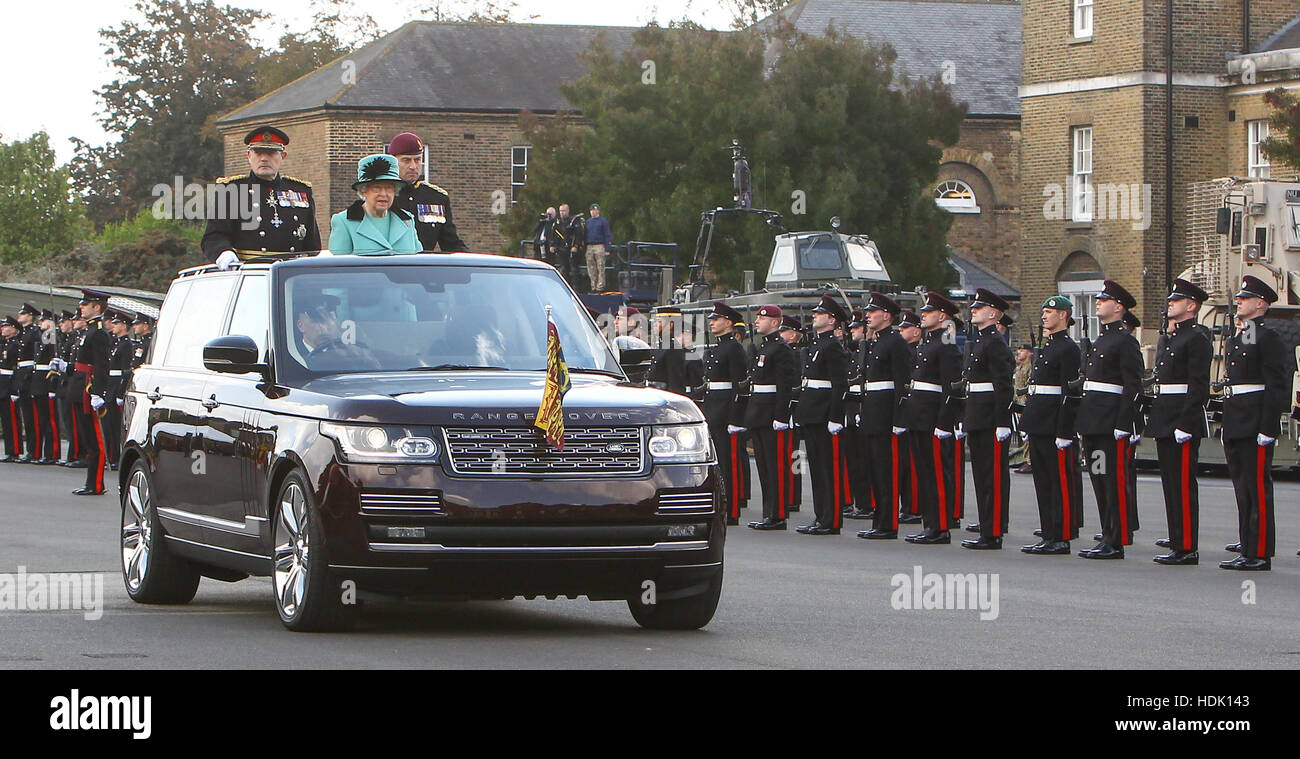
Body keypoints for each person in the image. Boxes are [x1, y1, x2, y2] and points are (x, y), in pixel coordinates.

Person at [1219, 275, 1289, 571]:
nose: (1238, 302)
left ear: (1260, 304)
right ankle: (1248, 546)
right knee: (1243, 488)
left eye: (1245, 299)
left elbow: (1276, 385)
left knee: (1257, 488)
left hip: (1254, 422)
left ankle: (1259, 553)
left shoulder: (1267, 336)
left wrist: (1267, 428)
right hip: (1237, 418)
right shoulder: (1241, 336)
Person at [1144, 278, 1212, 566]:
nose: (1170, 303)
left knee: (1183, 485)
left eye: (1176, 300)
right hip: (1165, 416)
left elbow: (1198, 386)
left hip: (1181, 420)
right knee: (1170, 483)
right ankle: (1177, 537)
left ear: (1191, 306)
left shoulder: (1196, 338)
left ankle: (1187, 547)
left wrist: (1186, 423)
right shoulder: (1173, 337)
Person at [1075, 279, 1143, 560]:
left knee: (1112, 481)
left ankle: (1115, 539)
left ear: (1118, 307)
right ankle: (1107, 532)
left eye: (1104, 300)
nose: (1098, 303)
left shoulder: (1125, 341)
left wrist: (1124, 424)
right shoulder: (1102, 338)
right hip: (1094, 420)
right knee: (1099, 479)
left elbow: (1133, 386)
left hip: (1109, 423)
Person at [204, 125, 320, 269]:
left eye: (271, 153)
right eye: (258, 153)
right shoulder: (232, 190)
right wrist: (224, 252)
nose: (264, 159)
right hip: (249, 272)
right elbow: (214, 236)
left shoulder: (300, 191)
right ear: (249, 156)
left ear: (283, 156)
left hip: (292, 273)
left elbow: (312, 245)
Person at [1019, 297, 1082, 554]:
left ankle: (1061, 535)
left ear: (1064, 315)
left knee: (1058, 482)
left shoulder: (1068, 348)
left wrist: (1064, 430)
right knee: (1043, 481)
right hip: (1039, 421)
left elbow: (1070, 393)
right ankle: (1048, 532)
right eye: (1043, 311)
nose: (1044, 316)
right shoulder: (1047, 346)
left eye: (1049, 312)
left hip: (1054, 424)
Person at [901, 292, 963, 544]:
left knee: (937, 473)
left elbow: (951, 387)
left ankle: (940, 526)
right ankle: (931, 523)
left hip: (933, 418)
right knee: (925, 472)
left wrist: (944, 422)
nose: (923, 315)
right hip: (919, 415)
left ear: (942, 316)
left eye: (928, 312)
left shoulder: (946, 344)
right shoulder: (929, 342)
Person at [959, 288, 1015, 550]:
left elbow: (1003, 385)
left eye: (979, 308)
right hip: (978, 414)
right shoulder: (981, 340)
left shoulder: (994, 343)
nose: (973, 310)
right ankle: (986, 525)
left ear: (993, 313)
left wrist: (1003, 422)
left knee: (991, 476)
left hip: (991, 417)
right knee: (981, 475)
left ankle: (992, 532)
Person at [855, 292, 913, 541]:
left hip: (887, 415)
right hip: (872, 412)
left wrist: (899, 419)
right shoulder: (875, 342)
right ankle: (879, 519)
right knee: (875, 470)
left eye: (872, 312)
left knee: (886, 471)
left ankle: (888, 523)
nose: (867, 315)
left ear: (886, 316)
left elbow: (902, 384)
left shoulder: (896, 342)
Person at [795, 296, 850, 536]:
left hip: (824, 415)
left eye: (820, 314)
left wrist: (835, 418)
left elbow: (840, 385)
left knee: (827, 470)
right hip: (812, 413)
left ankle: (831, 519)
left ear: (831, 320)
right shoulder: (818, 344)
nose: (814, 316)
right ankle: (821, 516)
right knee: (816, 470)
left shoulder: (832, 347)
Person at [745, 305, 800, 530]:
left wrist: (781, 415)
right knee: (764, 467)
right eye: (757, 317)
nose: (757, 321)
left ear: (775, 323)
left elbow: (785, 386)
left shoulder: (781, 349)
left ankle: (777, 514)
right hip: (759, 412)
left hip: (771, 415)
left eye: (762, 318)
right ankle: (769, 512)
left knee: (776, 467)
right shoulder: (765, 347)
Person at [702, 302, 749, 526]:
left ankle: (731, 509)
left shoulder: (734, 348)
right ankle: (720, 504)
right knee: (717, 461)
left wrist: (734, 418)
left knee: (729, 463)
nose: (712, 323)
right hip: (713, 407)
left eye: (716, 319)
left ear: (728, 322)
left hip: (725, 410)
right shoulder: (717, 347)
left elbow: (739, 386)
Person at [388, 132, 468, 253]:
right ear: (393, 162)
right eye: (406, 160)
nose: (413, 166)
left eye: (417, 160)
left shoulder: (437, 197)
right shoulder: (383, 195)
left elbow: (450, 243)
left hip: (423, 267)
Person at [329, 154, 420, 255]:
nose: (384, 194)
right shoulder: (344, 222)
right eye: (377, 187)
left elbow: (419, 263)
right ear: (363, 190)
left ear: (395, 191)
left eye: (389, 188)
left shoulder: (407, 220)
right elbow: (338, 267)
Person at [71, 289, 112, 496]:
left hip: (89, 389)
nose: (82, 307)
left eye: (86, 304)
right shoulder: (88, 330)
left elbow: (101, 365)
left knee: (95, 441)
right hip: (79, 386)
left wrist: (98, 392)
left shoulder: (99, 332)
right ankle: (90, 482)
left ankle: (96, 484)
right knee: (88, 439)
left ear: (97, 307)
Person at [895, 309, 923, 524]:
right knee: (904, 463)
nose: (902, 331)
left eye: (906, 327)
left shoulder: (916, 352)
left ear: (916, 331)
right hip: (905, 410)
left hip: (914, 410)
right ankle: (908, 505)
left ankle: (913, 506)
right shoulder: (906, 351)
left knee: (912, 463)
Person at [779, 315, 806, 513]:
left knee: (796, 454)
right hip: (792, 407)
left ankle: (794, 495)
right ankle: (790, 495)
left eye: (784, 331)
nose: (780, 335)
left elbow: (796, 383)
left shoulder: (796, 355)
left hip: (794, 408)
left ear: (794, 334)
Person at [103, 310, 134, 470]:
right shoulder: (116, 343)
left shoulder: (127, 344)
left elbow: (126, 371)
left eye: (116, 323)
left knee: (116, 426)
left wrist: (121, 392)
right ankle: (111, 456)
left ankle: (116, 457)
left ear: (124, 326)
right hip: (110, 386)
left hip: (117, 387)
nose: (113, 326)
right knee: (108, 425)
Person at [30, 310, 60, 464]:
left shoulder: (53, 338)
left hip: (47, 382)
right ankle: (43, 453)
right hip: (38, 381)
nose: (41, 323)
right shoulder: (44, 337)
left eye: (44, 321)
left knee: (50, 421)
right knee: (42, 419)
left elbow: (54, 362)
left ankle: (52, 453)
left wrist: (52, 387)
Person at [1009, 343, 1034, 472]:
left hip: (1025, 403)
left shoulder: (1030, 367)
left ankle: (1030, 461)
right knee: (1022, 434)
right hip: (1018, 404)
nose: (1019, 353)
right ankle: (1025, 458)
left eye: (1022, 351)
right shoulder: (1019, 367)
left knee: (1027, 434)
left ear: (1030, 353)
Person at [0, 317, 21, 461]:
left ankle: (14, 450)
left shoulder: (16, 345)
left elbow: (17, 369)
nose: (3, 329)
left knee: (11, 419)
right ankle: (9, 450)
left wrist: (15, 389)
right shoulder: (5, 344)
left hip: (9, 384)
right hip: (2, 383)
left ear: (14, 329)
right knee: (5, 420)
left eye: (6, 326)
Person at [546, 204, 579, 280]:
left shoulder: (573, 221)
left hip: (571, 248)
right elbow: (552, 234)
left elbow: (578, 235)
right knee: (564, 269)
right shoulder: (557, 223)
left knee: (574, 270)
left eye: (563, 211)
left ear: (567, 211)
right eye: (560, 211)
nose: (562, 213)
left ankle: (575, 287)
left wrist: (575, 246)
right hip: (561, 248)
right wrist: (552, 245)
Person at [585, 203, 612, 292]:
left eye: (594, 210)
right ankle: (593, 286)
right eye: (591, 210)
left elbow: (607, 235)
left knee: (600, 267)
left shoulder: (603, 221)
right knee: (591, 267)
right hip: (589, 246)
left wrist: (607, 248)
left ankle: (600, 287)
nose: (593, 212)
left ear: (598, 211)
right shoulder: (588, 222)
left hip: (599, 245)